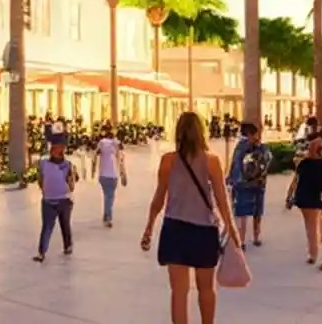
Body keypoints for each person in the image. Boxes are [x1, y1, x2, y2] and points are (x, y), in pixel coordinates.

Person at [141, 112, 241, 324]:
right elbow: (222, 201)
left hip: (174, 229)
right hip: (203, 231)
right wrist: (232, 229)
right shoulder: (212, 161)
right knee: (206, 289)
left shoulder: (167, 161)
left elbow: (159, 197)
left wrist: (149, 227)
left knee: (179, 292)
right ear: (201, 132)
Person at [293, 135, 322, 271]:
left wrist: (289, 196)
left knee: (310, 227)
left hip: (305, 197)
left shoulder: (303, 162)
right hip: (319, 196)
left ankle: (313, 253)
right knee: (321, 227)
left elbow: (296, 179)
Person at [227, 121, 270, 249]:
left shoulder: (239, 147)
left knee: (242, 213)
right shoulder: (261, 147)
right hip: (258, 183)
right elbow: (268, 161)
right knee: (257, 211)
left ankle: (241, 240)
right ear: (252, 133)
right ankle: (256, 237)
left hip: (241, 184)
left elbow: (235, 165)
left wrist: (231, 179)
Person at [33, 135, 76, 262]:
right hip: (48, 201)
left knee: (65, 225)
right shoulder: (43, 163)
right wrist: (45, 190)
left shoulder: (67, 165)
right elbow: (40, 179)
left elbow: (71, 185)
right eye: (55, 148)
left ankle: (68, 245)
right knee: (47, 227)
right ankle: (42, 252)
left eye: (60, 148)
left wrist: (70, 181)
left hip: (64, 200)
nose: (57, 151)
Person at [95, 126, 126, 228]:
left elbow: (95, 155)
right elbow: (121, 160)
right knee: (110, 197)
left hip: (103, 175)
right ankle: (108, 217)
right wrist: (123, 174)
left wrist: (93, 170)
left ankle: (106, 215)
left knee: (107, 196)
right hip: (113, 175)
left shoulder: (102, 143)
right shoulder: (116, 144)